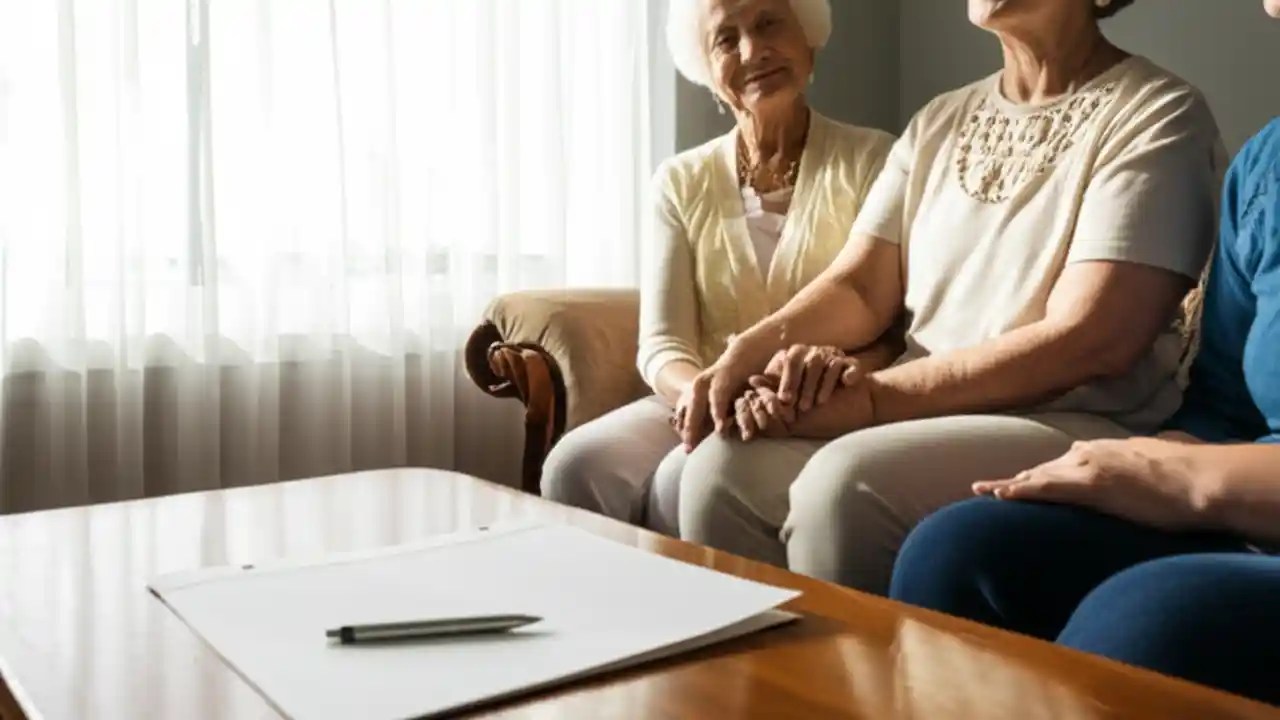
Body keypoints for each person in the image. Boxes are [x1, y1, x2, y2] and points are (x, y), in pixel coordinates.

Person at [671, 0, 1227, 594]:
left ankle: (866, 662)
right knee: (720, 469)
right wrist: (746, 356)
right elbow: (861, 287)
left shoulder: (1158, 112)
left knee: (844, 485)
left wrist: (875, 399)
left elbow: (1090, 339)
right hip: (922, 409)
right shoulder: (938, 120)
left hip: (1073, 419)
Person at [889, 0, 1280, 705]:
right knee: (959, 550)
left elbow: (1091, 337)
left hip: (1247, 503)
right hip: (1242, 509)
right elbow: (1223, 406)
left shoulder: (1156, 113)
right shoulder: (1265, 169)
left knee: (1147, 622)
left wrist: (1192, 481)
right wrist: (1138, 463)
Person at [540, 0, 896, 535]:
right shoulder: (679, 181)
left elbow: (893, 327)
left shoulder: (874, 159)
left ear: (809, 39)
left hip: (817, 401)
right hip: (702, 394)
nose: (753, 51)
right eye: (726, 39)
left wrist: (825, 385)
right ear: (707, 70)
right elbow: (663, 345)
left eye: (769, 23)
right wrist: (707, 396)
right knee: (576, 465)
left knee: (680, 479)